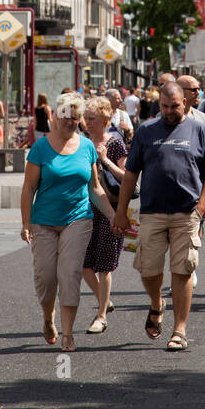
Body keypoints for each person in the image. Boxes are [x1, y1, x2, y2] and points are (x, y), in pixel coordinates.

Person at [112, 82, 205, 351]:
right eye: (164, 106)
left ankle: (179, 330)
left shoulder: (199, 130)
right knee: (148, 269)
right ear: (159, 104)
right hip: (152, 212)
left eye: (174, 106)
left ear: (185, 102)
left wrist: (201, 207)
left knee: (182, 270)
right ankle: (157, 303)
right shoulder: (147, 130)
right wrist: (121, 212)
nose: (170, 111)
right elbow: (130, 174)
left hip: (187, 212)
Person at [19, 93, 116, 353]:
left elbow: (95, 187)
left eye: (75, 118)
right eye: (65, 117)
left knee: (70, 273)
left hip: (78, 218)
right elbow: (29, 188)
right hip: (43, 222)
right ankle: (48, 318)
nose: (70, 122)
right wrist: (26, 223)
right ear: (55, 116)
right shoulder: (40, 148)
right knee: (46, 277)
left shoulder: (86, 147)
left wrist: (113, 216)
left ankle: (68, 334)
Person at [80, 97, 128, 334]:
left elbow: (128, 178)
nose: (87, 122)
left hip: (111, 209)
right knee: (83, 263)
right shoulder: (82, 142)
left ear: (105, 119)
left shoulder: (115, 143)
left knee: (104, 266)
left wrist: (105, 159)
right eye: (85, 118)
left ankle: (101, 315)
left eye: (92, 118)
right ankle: (104, 299)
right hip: (86, 210)